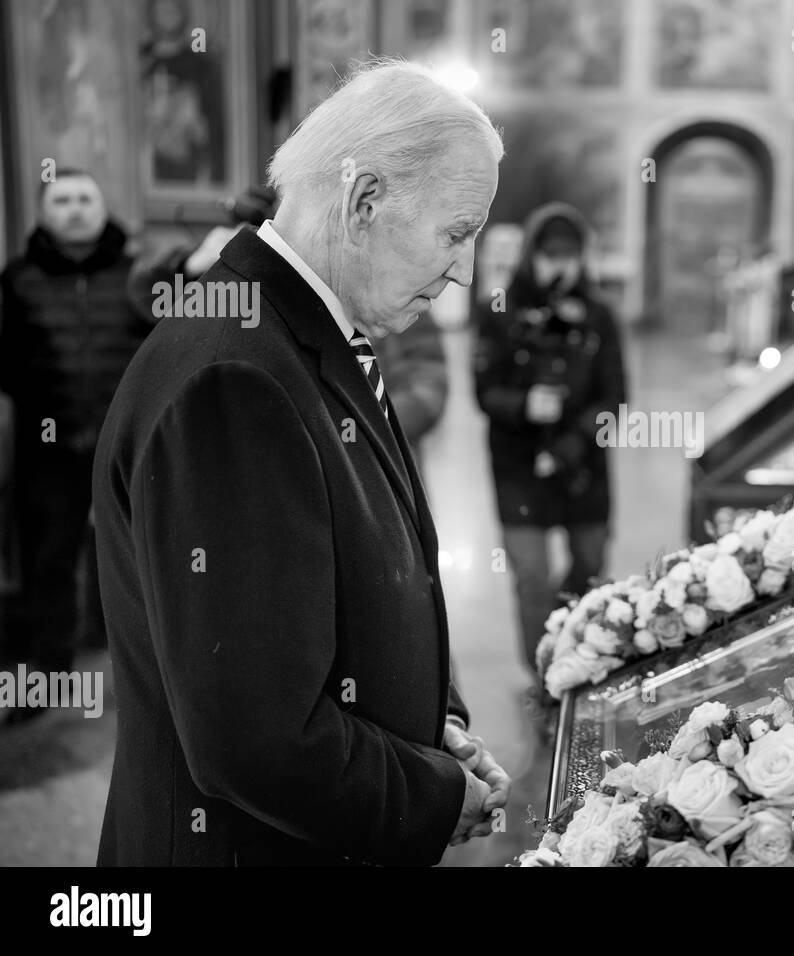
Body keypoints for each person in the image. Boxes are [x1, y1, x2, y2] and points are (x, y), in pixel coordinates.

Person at [92, 61, 508, 866]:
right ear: (363, 202)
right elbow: (254, 734)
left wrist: (436, 734)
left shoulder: (295, 337)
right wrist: (427, 795)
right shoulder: (235, 377)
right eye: (457, 233)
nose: (462, 272)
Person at [128, 187, 452, 446]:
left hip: (377, 464)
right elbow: (151, 302)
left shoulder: (384, 281)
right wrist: (190, 266)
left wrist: (360, 429)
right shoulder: (251, 285)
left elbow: (427, 380)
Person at [0, 170, 154, 685]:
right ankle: (50, 676)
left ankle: (151, 679)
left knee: (142, 556)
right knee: (51, 559)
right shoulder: (16, 280)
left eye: (84, 197)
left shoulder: (138, 274)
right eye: (61, 200)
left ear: (102, 206)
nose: (74, 208)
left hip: (128, 442)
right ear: (44, 213)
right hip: (49, 444)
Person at [474, 203, 627, 680]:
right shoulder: (499, 310)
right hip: (519, 465)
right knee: (532, 578)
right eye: (549, 255)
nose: (559, 267)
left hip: (582, 464)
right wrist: (524, 404)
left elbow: (615, 396)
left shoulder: (599, 315)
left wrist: (571, 445)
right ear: (531, 256)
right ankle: (545, 677)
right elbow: (484, 391)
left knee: (590, 563)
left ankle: (576, 656)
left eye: (569, 255)